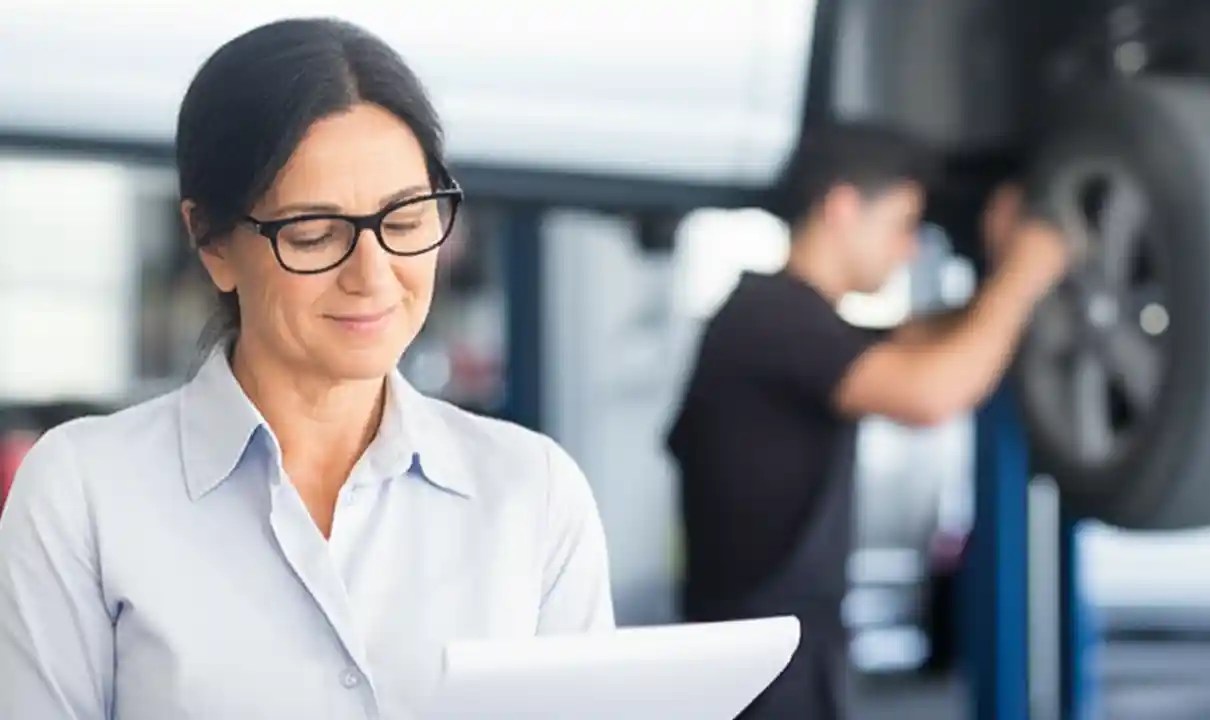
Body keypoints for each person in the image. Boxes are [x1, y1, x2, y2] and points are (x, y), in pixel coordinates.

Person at [0, 18, 612, 720]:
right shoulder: (82, 494)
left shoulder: (531, 493)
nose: (373, 275)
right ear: (210, 241)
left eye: (407, 220)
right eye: (315, 234)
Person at [667, 124, 1069, 718]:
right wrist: (1023, 278)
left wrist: (1005, 273)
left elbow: (927, 339)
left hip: (783, 665)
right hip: (757, 678)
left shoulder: (800, 322)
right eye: (902, 224)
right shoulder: (771, 320)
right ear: (843, 206)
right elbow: (929, 394)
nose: (909, 248)